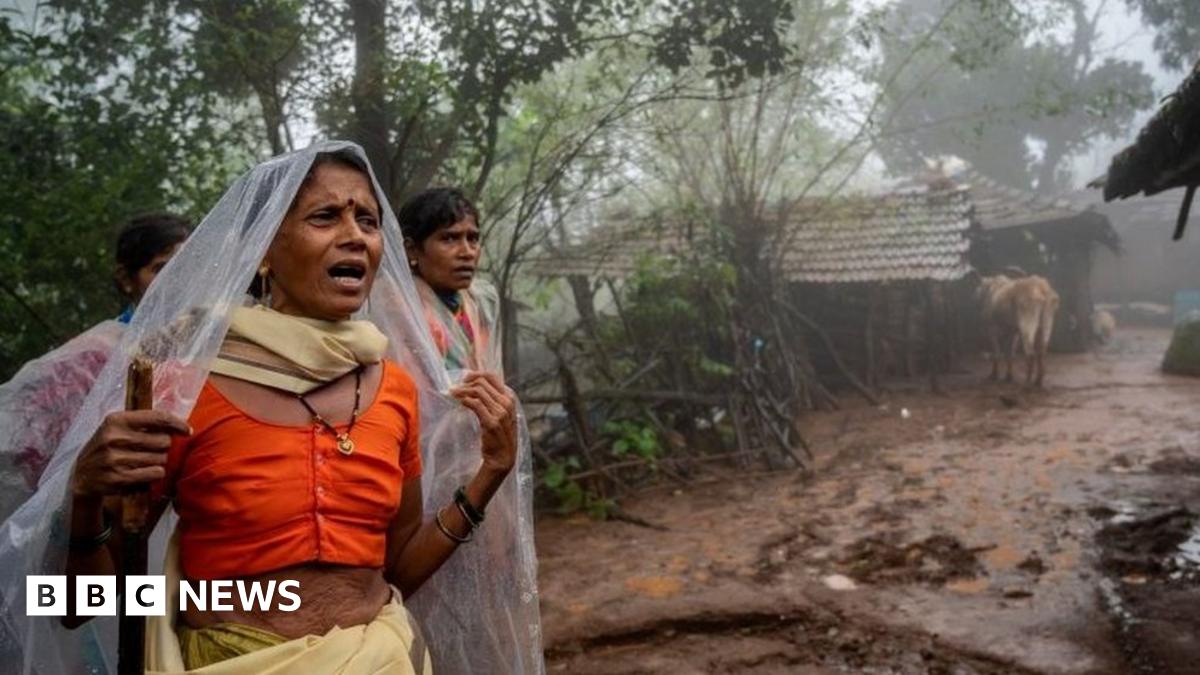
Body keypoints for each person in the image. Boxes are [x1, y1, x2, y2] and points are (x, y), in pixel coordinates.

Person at [0, 142, 542, 675]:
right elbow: (76, 609)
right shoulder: (185, 388)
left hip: (382, 660)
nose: (354, 235)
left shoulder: (394, 390)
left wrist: (489, 472)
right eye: (325, 216)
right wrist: (87, 494)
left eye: (368, 222)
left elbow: (396, 569)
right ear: (262, 250)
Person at [0, 214, 190, 522]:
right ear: (127, 279)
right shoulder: (92, 355)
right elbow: (20, 443)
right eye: (162, 269)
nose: (178, 283)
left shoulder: (215, 349)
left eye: (188, 269)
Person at [398, 188, 502, 375]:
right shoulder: (398, 309)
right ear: (412, 249)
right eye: (449, 238)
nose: (467, 252)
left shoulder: (482, 302)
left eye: (473, 238)